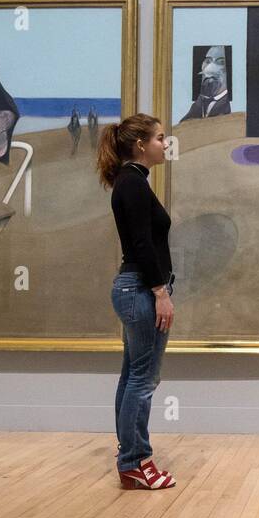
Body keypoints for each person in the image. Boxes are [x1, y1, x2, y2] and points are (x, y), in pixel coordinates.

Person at [96, 114, 178, 490]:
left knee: (133, 377)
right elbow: (143, 245)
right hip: (141, 290)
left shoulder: (133, 182)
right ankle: (134, 460)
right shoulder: (131, 184)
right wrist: (160, 292)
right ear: (141, 145)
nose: (165, 143)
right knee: (144, 380)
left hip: (138, 289)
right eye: (160, 138)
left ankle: (130, 455)